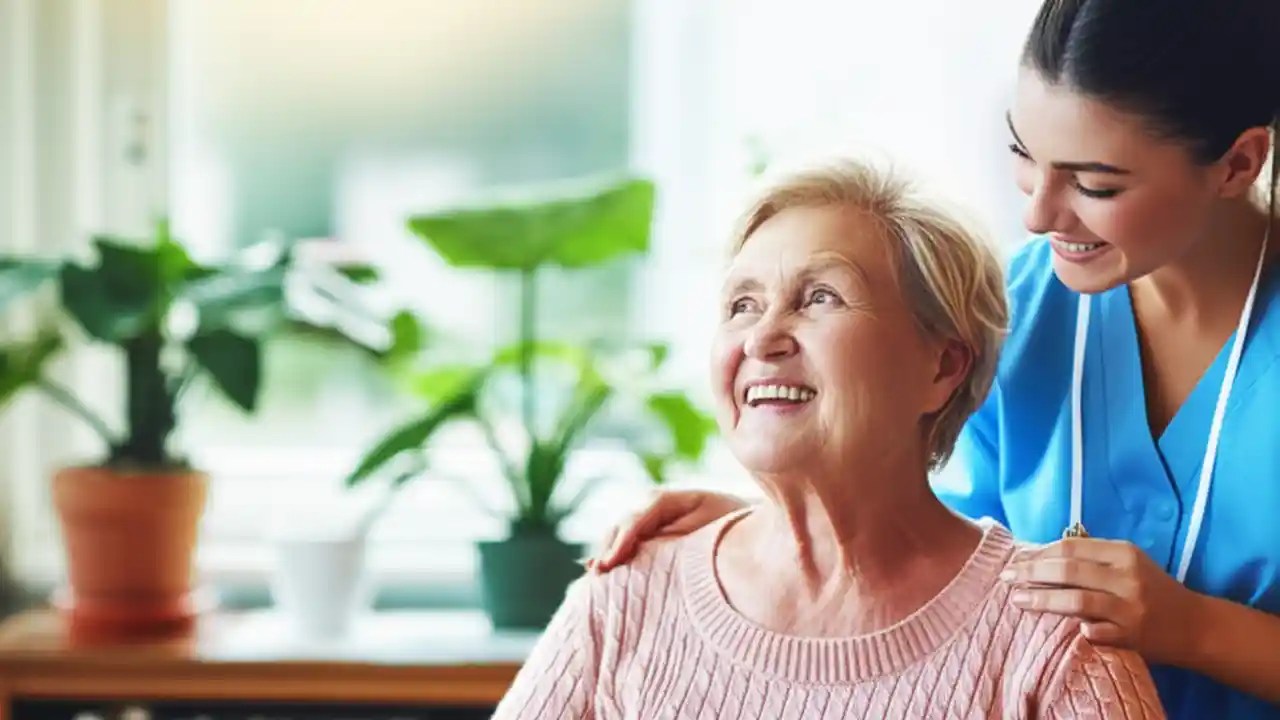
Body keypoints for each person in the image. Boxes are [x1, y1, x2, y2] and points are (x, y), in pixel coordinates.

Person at [588, 1, 1280, 717]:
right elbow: (945, 563)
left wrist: (1196, 629)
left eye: (1095, 184)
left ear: (1238, 163)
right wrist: (778, 538)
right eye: (1024, 156)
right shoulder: (1015, 312)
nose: (1039, 215)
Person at [493, 159, 1166, 719]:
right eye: (742, 305)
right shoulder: (629, 592)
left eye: (820, 298)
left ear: (942, 367)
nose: (762, 337)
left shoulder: (1049, 637)